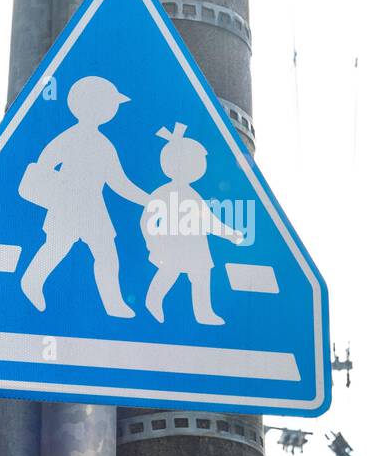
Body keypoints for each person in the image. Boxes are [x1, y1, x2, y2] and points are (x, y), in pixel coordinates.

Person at [18, 75, 149, 317]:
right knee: (58, 248)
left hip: (92, 206)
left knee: (106, 254)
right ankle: (31, 282)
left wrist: (148, 201)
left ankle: (114, 304)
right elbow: (45, 162)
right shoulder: (71, 137)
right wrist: (55, 191)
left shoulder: (103, 144)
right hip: (67, 203)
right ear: (97, 106)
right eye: (111, 104)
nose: (113, 110)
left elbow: (119, 183)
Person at [141, 123, 244, 325]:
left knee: (201, 276)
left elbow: (209, 222)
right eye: (196, 162)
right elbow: (147, 220)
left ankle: (204, 313)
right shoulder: (162, 193)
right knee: (168, 273)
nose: (200, 167)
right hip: (171, 244)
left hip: (196, 246)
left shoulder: (194, 196)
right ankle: (152, 301)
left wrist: (230, 234)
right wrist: (153, 243)